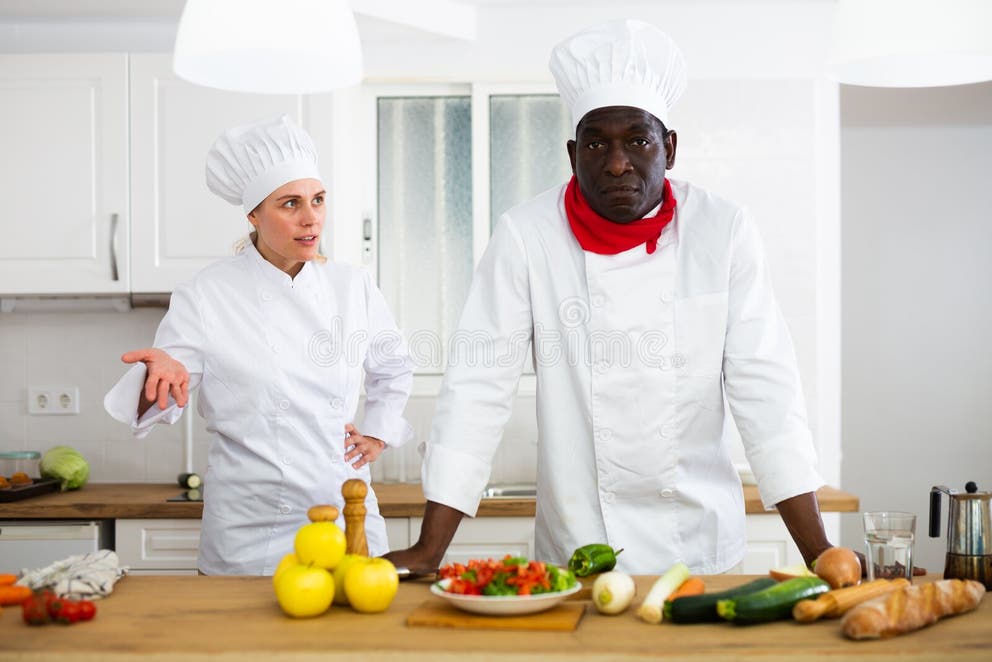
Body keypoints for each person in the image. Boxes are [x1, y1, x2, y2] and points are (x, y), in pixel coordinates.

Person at [386, 20, 835, 575]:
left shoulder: (723, 230)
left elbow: (766, 389)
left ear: (669, 149)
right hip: (580, 544)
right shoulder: (527, 235)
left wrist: (819, 551)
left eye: (638, 141)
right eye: (597, 143)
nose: (617, 163)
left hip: (697, 545)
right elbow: (478, 388)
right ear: (572, 152)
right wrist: (432, 548)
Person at [104, 115, 414, 575]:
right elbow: (168, 389)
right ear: (253, 214)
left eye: (318, 200)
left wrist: (378, 433)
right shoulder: (206, 293)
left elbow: (393, 367)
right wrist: (160, 376)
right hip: (249, 530)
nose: (311, 218)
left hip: (345, 516)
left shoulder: (353, 286)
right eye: (290, 203)